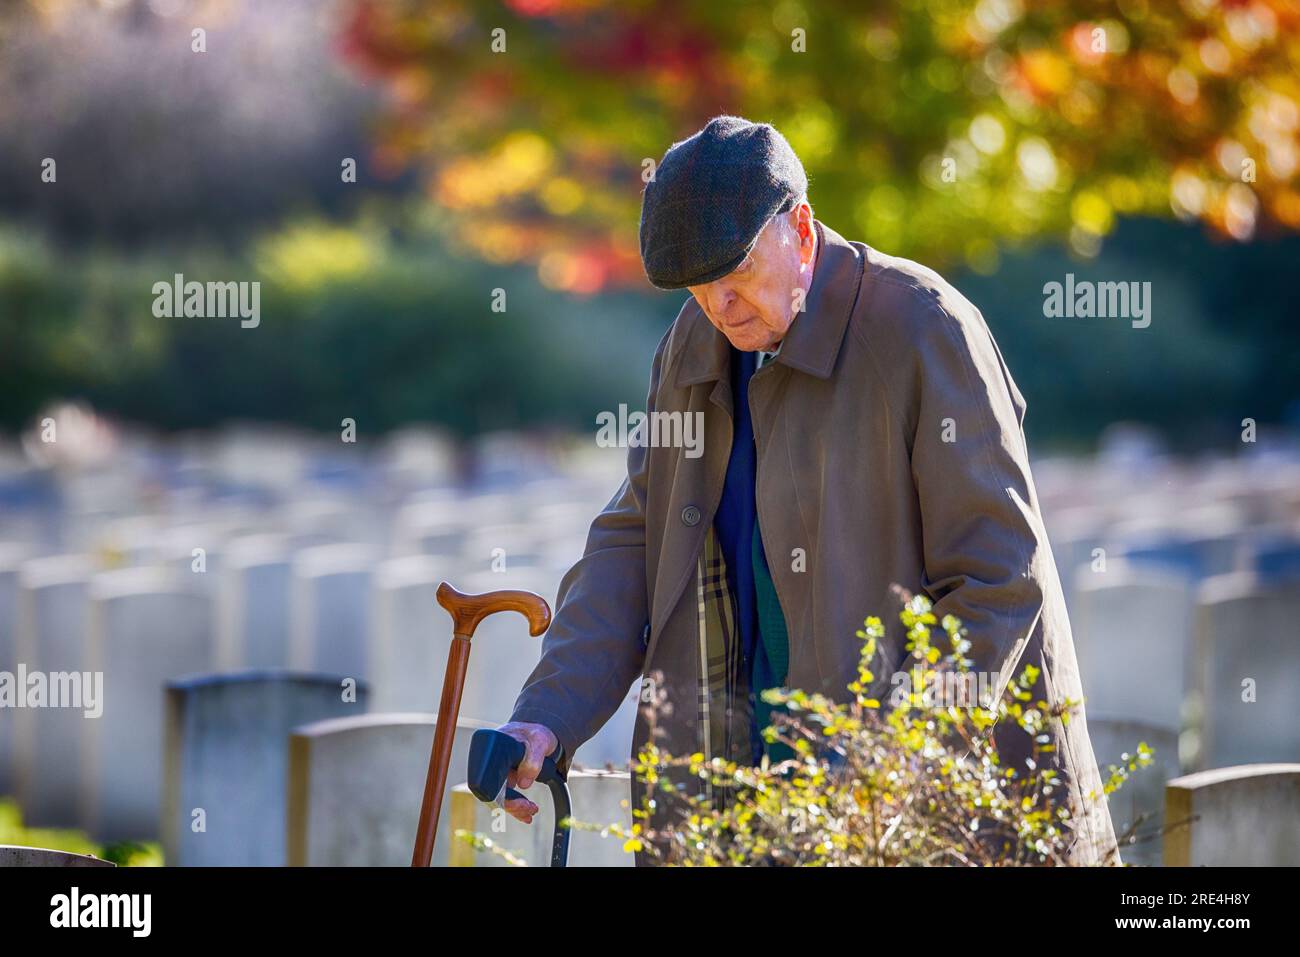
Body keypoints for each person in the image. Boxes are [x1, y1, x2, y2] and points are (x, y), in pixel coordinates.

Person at [496, 115, 1118, 865]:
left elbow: (995, 584)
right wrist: (546, 716)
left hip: (916, 809)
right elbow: (635, 541)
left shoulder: (926, 330)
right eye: (698, 287)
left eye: (737, 273)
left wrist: (890, 771)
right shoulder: (693, 349)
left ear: (801, 226)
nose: (721, 307)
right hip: (737, 798)